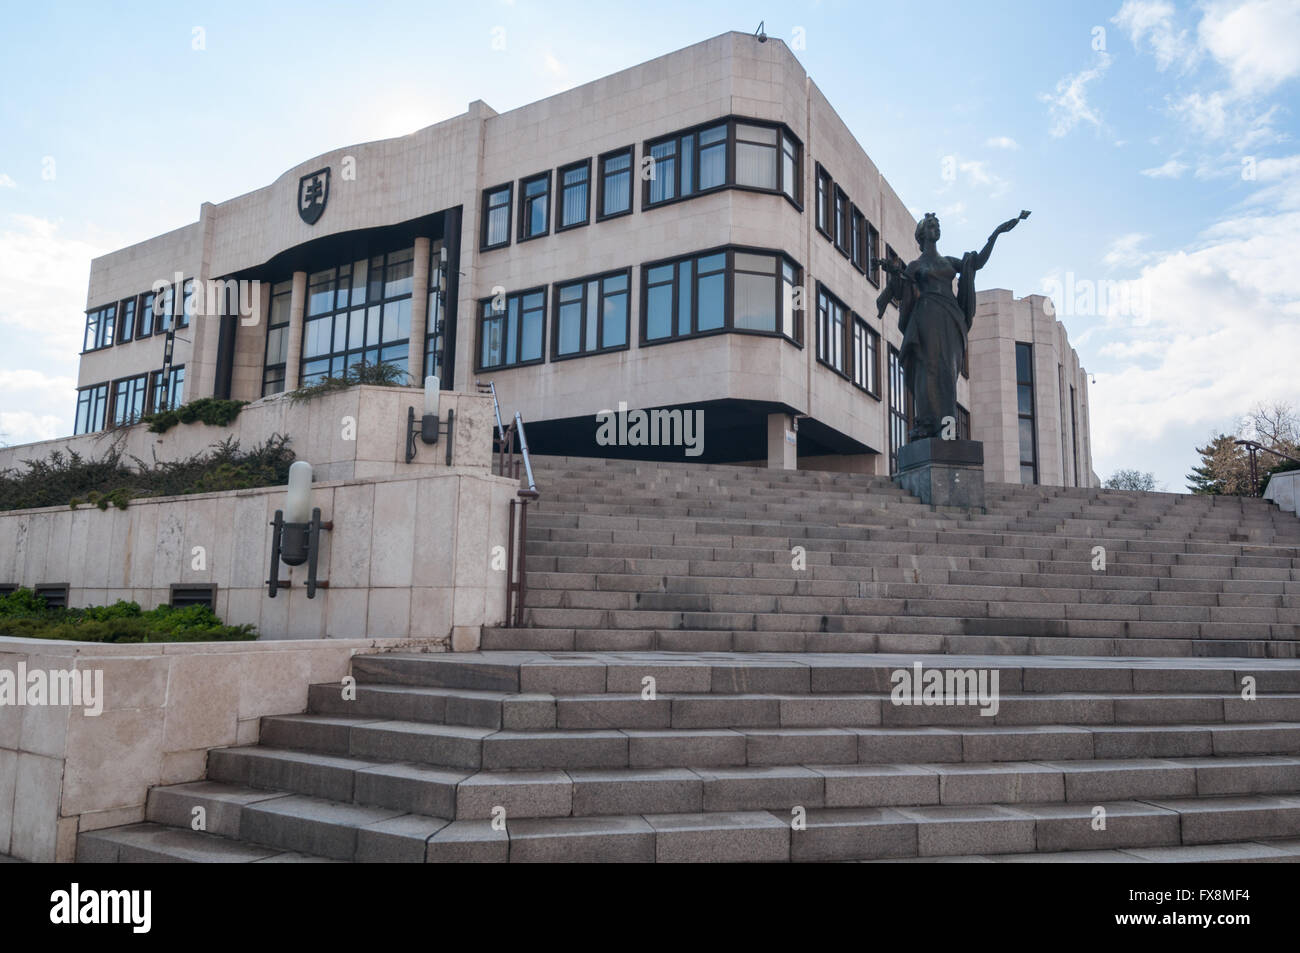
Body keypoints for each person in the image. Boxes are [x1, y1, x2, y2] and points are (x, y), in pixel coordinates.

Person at [875, 210, 1029, 441]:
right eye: (931, 225)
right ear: (921, 234)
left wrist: (996, 233)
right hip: (926, 318)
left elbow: (976, 263)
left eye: (937, 225)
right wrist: (893, 275)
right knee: (929, 369)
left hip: (950, 318)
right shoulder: (916, 265)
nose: (936, 228)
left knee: (948, 371)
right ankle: (927, 424)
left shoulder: (949, 261)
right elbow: (899, 289)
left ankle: (947, 429)